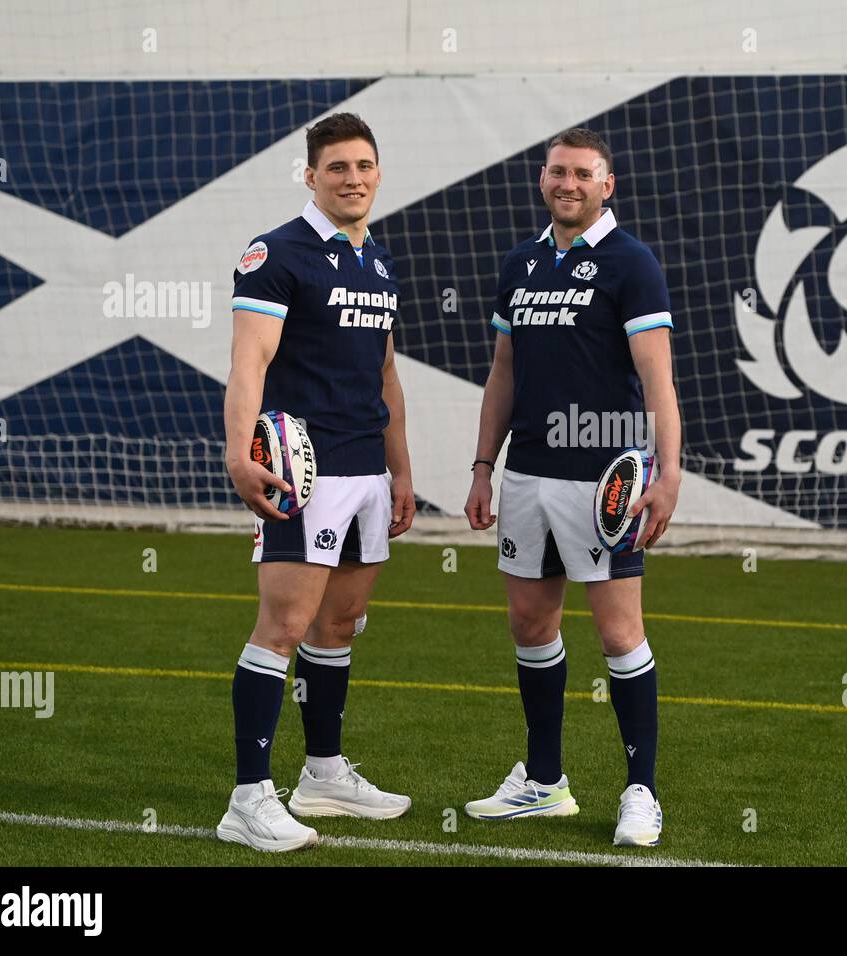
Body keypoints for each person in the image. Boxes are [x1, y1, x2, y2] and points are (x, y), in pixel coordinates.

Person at [463, 127, 680, 846]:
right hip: (525, 474)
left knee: (620, 634)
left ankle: (641, 792)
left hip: (602, 481)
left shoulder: (632, 263)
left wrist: (667, 473)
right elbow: (504, 372)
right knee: (530, 625)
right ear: (542, 179)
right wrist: (483, 466)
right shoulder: (520, 263)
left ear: (606, 184)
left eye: (583, 174)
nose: (569, 184)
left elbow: (658, 382)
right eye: (558, 172)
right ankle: (544, 782)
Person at [217, 112, 416, 852]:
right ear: (310, 175)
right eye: (337, 168)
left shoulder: (381, 262)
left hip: (367, 469)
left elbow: (387, 374)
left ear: (378, 173)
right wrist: (240, 453)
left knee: (338, 627)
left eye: (364, 165)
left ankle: (324, 774)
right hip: (305, 472)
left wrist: (400, 470)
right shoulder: (277, 254)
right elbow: (249, 363)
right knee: (284, 627)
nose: (353, 178)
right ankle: (247, 797)